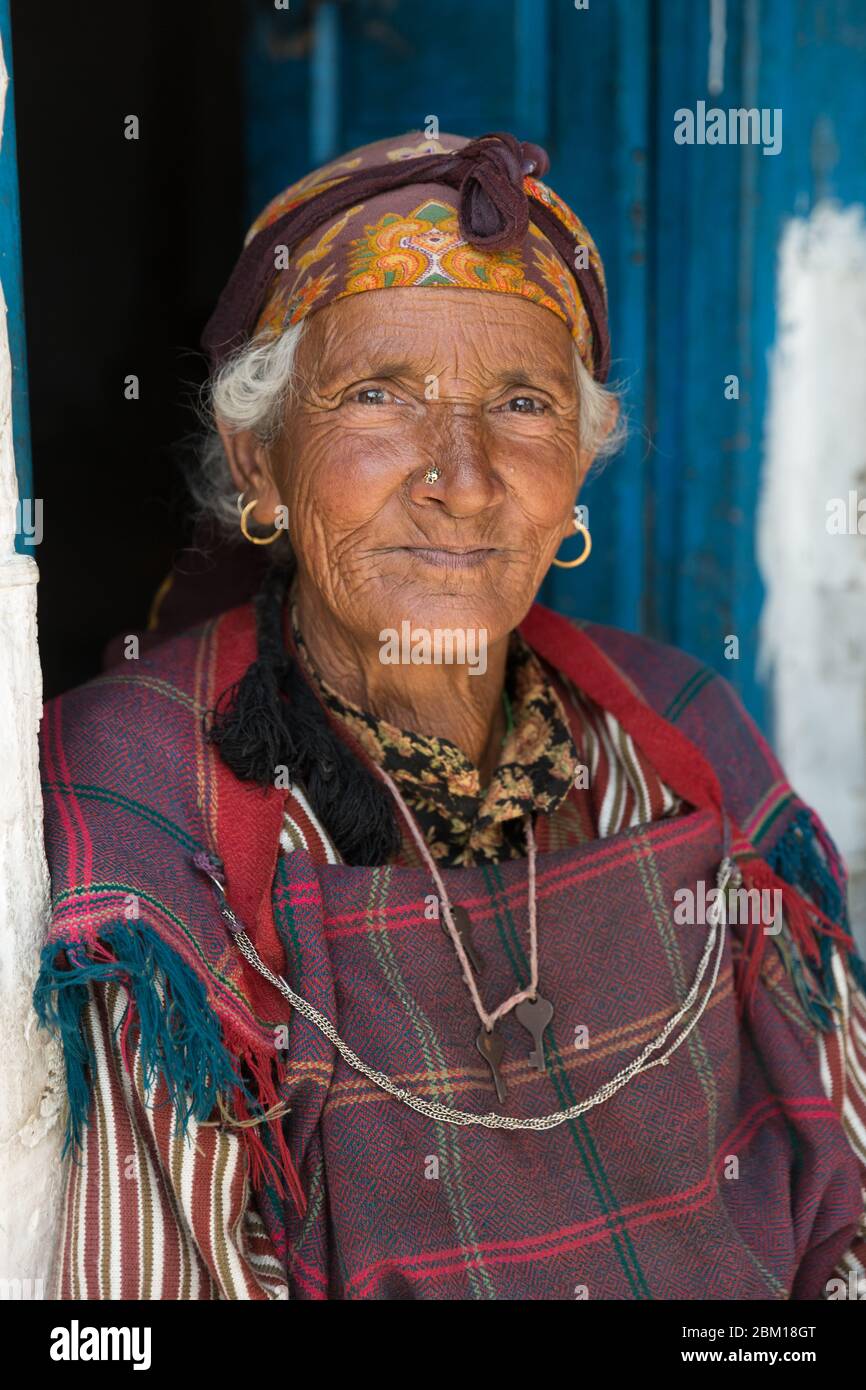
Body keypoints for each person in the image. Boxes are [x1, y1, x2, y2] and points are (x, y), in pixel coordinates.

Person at [36, 131, 866, 1300]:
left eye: (520, 404)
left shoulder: (678, 732)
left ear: (577, 468)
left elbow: (840, 1176)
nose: (461, 476)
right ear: (260, 462)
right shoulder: (136, 790)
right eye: (379, 395)